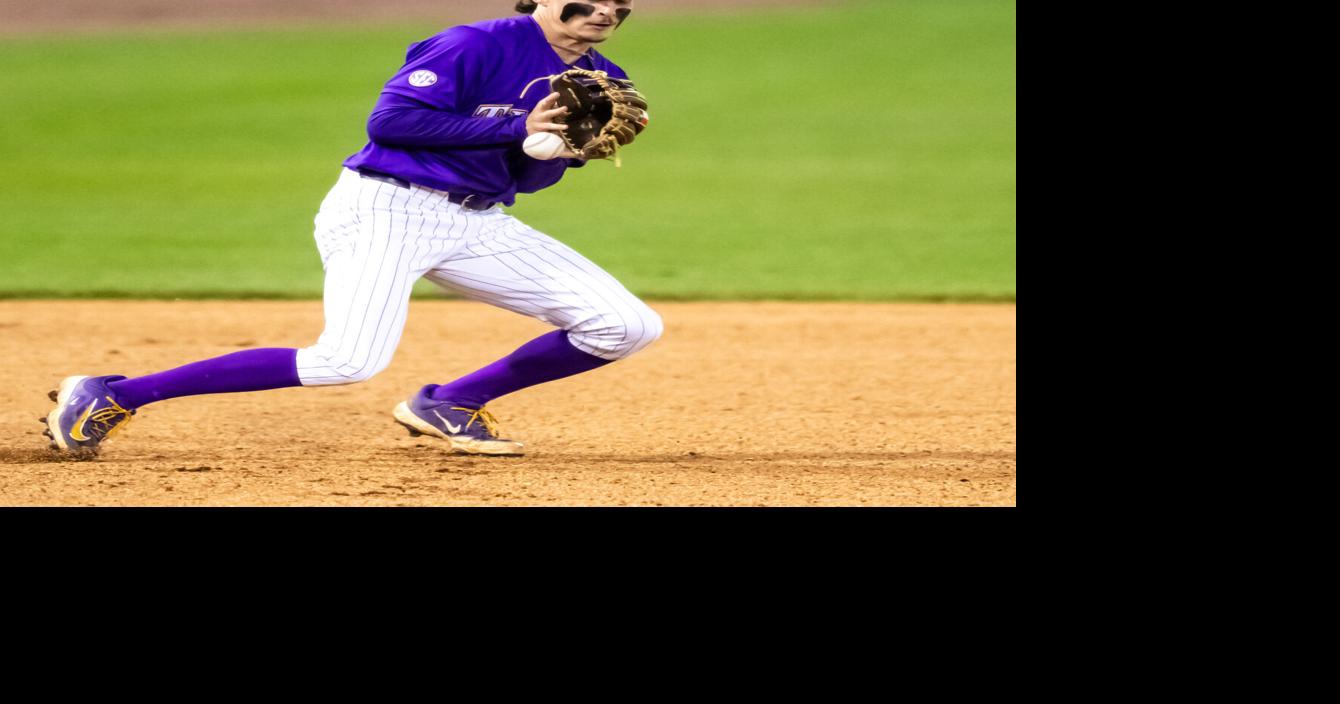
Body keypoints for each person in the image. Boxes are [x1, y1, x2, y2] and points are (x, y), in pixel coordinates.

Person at [43, 0, 659, 458]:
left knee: (626, 325)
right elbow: (390, 124)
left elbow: (525, 180)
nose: (604, 9)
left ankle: (451, 402)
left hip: (478, 220)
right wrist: (515, 129)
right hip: (384, 209)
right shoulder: (472, 44)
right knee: (345, 360)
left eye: (617, 2)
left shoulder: (600, 79)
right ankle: (112, 394)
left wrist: (551, 153)